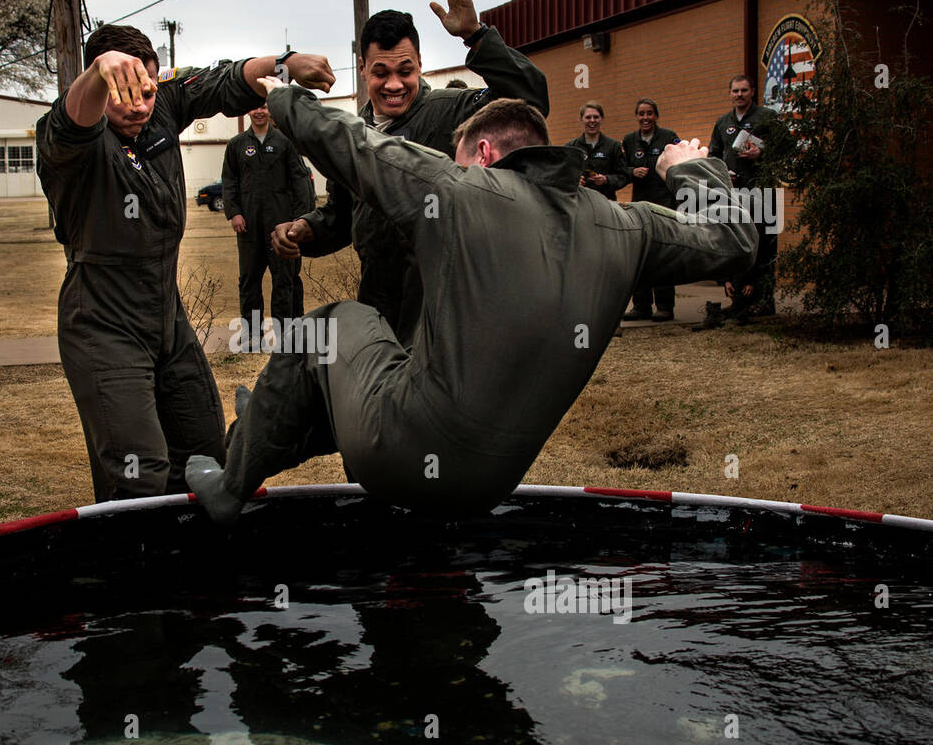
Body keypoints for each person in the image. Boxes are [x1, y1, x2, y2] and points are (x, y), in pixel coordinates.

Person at [186, 82, 756, 525]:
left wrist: (280, 90)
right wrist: (687, 166)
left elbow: (355, 144)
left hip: (401, 456)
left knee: (343, 323)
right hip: (492, 485)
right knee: (388, 360)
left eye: (459, 157)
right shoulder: (626, 227)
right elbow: (735, 241)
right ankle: (272, 413)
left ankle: (230, 486)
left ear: (481, 152)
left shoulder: (460, 191)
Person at [35, 24, 334, 502]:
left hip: (166, 319)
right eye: (122, 93)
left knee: (204, 453)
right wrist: (98, 74)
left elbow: (223, 82)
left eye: (147, 92)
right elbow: (74, 118)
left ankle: (197, 570)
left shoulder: (161, 111)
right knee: (139, 474)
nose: (138, 105)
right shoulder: (74, 144)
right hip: (102, 322)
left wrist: (284, 64)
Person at [270, 0, 549, 345]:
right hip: (379, 308)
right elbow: (341, 214)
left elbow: (529, 100)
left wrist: (476, 35)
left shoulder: (452, 112)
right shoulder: (354, 137)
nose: (394, 85)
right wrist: (308, 229)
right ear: (363, 69)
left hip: (442, 308)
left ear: (420, 63)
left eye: (406, 70)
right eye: (381, 72)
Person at [222, 104, 314, 347]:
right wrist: (234, 213)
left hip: (281, 227)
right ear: (248, 112)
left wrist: (299, 220)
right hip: (249, 227)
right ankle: (252, 336)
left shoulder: (285, 142)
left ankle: (289, 336)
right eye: (253, 108)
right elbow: (229, 181)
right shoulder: (236, 145)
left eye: (263, 106)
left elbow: (300, 180)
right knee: (249, 280)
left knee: (286, 278)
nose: (259, 112)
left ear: (270, 109)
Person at [707, 74, 784, 323]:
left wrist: (762, 153)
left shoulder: (767, 118)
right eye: (735, 91)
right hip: (734, 193)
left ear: (752, 92)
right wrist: (722, 171)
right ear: (729, 94)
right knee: (736, 240)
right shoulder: (723, 122)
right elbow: (713, 154)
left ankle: (763, 300)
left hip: (761, 190)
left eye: (743, 90)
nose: (739, 95)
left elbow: (788, 146)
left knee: (764, 242)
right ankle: (738, 300)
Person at [620, 98, 682, 321]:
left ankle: (665, 306)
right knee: (641, 255)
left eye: (649, 113)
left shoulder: (668, 137)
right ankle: (641, 306)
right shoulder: (629, 140)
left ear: (656, 116)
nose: (645, 118)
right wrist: (631, 172)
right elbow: (620, 169)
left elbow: (681, 163)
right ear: (637, 117)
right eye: (641, 114)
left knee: (664, 255)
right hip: (640, 205)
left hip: (664, 203)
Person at [566, 101, 629, 201]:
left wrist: (606, 179)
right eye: (588, 117)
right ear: (581, 119)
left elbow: (624, 176)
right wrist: (574, 181)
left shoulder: (613, 146)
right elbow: (563, 176)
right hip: (580, 203)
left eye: (596, 117)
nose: (592, 120)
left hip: (606, 203)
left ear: (602, 119)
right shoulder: (571, 148)